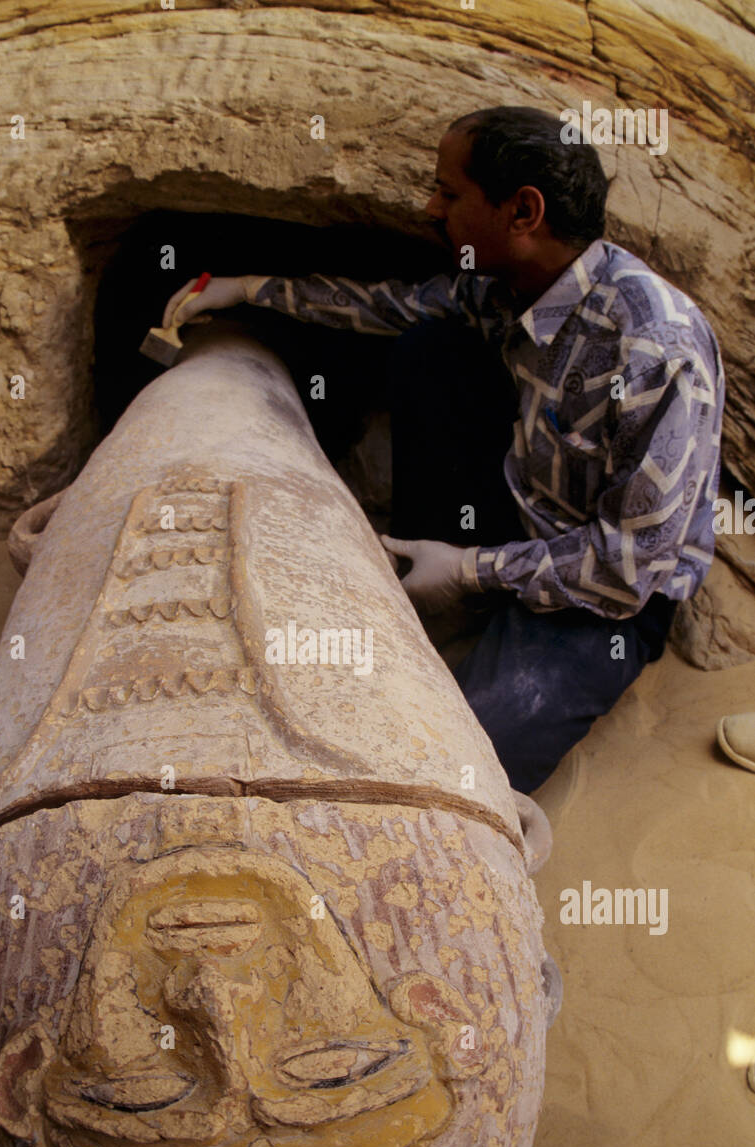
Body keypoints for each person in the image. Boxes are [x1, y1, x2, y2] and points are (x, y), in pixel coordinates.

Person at [161, 105, 725, 794]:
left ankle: (451, 590)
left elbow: (625, 569)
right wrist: (246, 290)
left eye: (449, 193)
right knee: (428, 346)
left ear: (522, 211)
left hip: (601, 594)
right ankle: (429, 580)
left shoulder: (652, 350)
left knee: (457, 754)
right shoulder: (508, 287)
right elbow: (389, 306)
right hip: (523, 508)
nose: (429, 208)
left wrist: (467, 569)